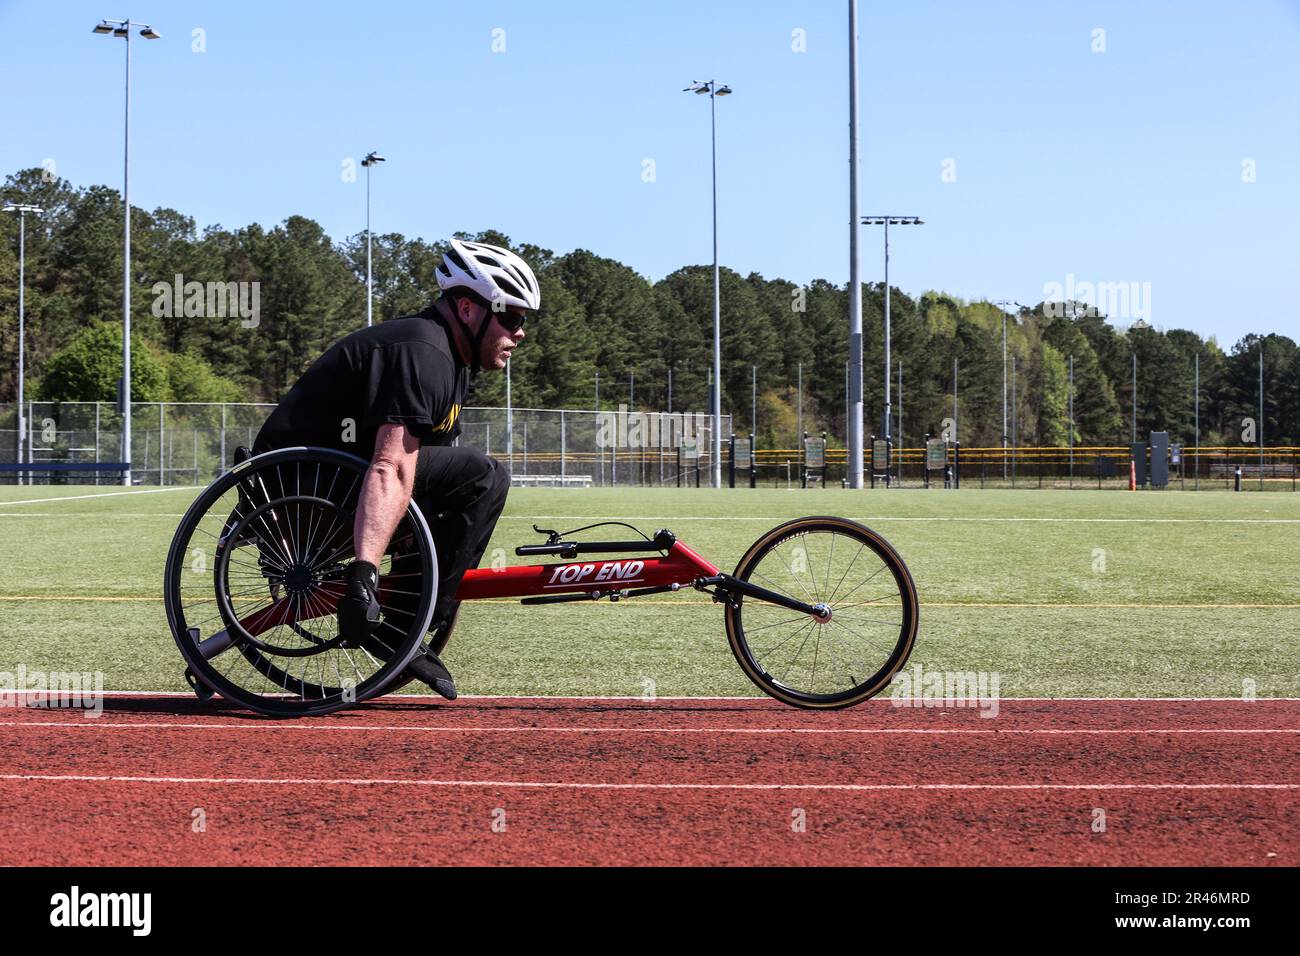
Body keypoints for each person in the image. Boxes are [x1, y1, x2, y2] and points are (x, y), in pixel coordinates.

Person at [250, 239, 539, 700]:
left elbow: (425, 481)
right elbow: (391, 469)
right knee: (485, 476)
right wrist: (364, 578)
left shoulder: (454, 363)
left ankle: (408, 625)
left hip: (333, 483)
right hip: (293, 497)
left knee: (467, 482)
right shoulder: (423, 352)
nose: (520, 332)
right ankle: (409, 628)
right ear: (468, 308)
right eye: (511, 316)